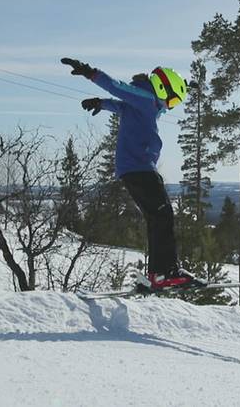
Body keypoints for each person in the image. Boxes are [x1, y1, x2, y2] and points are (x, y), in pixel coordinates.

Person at [61, 57, 199, 291]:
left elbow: (121, 106)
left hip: (132, 170)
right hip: (141, 168)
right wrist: (90, 72)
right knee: (163, 217)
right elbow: (116, 86)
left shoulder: (147, 104)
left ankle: (157, 274)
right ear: (162, 89)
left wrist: (101, 103)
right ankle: (167, 272)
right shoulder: (145, 98)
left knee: (157, 218)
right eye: (173, 99)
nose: (172, 106)